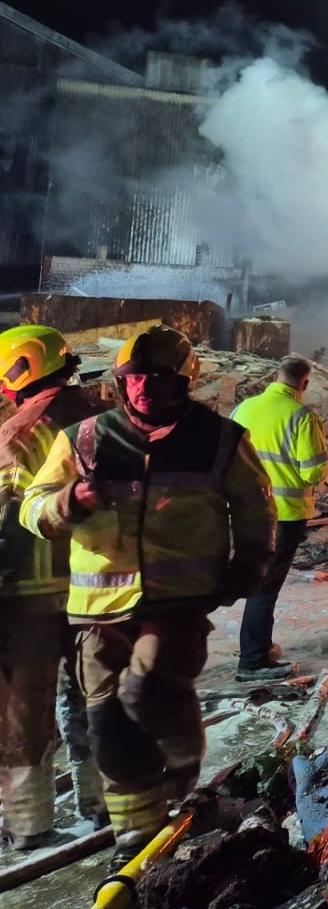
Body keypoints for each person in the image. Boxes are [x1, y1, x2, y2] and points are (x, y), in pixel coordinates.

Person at [21, 324, 272, 860]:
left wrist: (248, 566)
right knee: (107, 725)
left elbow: (256, 507)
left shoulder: (220, 438)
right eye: (132, 378)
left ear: (183, 382)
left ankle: (181, 766)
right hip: (98, 610)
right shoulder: (84, 438)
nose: (142, 388)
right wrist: (68, 501)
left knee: (147, 687)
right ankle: (137, 837)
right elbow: (31, 506)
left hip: (179, 602)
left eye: (156, 378)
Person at [0, 326, 106, 849]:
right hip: (101, 590)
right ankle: (105, 807)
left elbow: (4, 513)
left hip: (28, 597)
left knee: (24, 715)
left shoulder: (18, 433)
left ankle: (28, 826)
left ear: (18, 369)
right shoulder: (107, 418)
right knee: (95, 698)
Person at [230, 355, 327, 683]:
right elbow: (311, 469)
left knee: (256, 582)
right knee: (265, 587)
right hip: (283, 515)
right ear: (305, 384)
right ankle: (253, 661)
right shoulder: (301, 416)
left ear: (275, 375)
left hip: (244, 512)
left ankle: (259, 646)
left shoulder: (243, 409)